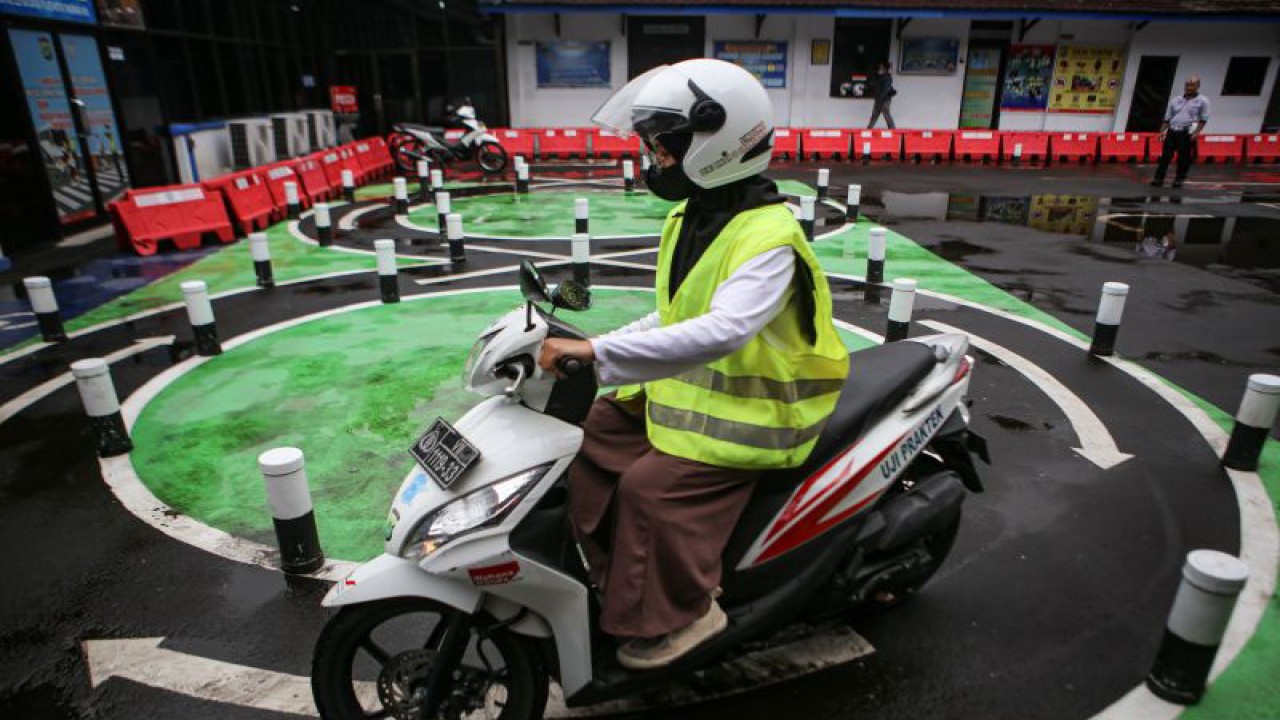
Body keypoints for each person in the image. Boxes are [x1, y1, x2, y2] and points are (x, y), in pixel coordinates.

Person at [537, 59, 849, 671]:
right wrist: (598, 346)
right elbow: (676, 314)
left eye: (664, 146)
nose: (654, 157)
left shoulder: (769, 236)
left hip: (761, 416)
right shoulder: (693, 217)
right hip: (696, 400)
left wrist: (600, 353)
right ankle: (618, 579)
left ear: (718, 142)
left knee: (649, 490)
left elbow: (723, 329)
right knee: (591, 432)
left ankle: (685, 610)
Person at [1152, 76, 1210, 189]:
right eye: (1187, 85)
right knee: (1165, 157)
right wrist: (1161, 131)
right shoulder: (1176, 99)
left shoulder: (1203, 101)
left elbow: (1204, 119)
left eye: (1191, 85)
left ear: (1198, 86)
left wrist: (1197, 132)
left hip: (1186, 132)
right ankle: (1158, 179)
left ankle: (1179, 180)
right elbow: (1168, 117)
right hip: (1172, 130)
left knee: (1183, 158)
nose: (1188, 87)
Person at [868, 62, 897, 129]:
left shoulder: (886, 77)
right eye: (879, 68)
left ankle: (892, 129)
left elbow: (885, 89)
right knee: (875, 114)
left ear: (885, 69)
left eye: (881, 68)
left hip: (884, 100)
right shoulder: (880, 77)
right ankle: (869, 128)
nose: (879, 69)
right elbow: (875, 85)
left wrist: (881, 99)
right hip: (879, 99)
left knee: (886, 114)